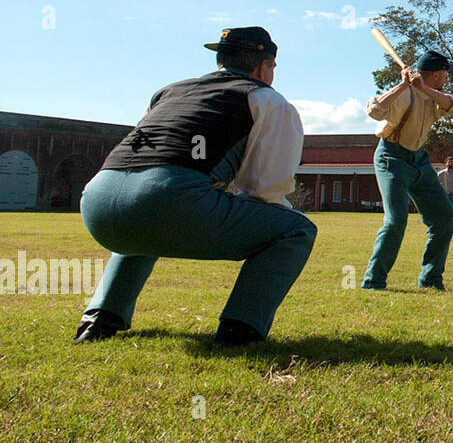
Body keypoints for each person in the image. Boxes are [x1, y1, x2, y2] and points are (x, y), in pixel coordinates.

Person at [75, 27, 315, 346]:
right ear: (264, 66)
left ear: (220, 60)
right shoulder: (267, 100)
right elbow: (266, 189)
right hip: (167, 201)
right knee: (296, 229)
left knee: (147, 219)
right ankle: (239, 332)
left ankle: (99, 319)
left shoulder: (168, 91)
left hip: (96, 203)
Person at [362, 51, 453, 291]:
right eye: (445, 74)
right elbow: (374, 111)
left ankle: (431, 280)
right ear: (437, 75)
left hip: (420, 160)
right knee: (396, 221)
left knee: (444, 218)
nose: (447, 78)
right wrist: (403, 85)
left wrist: (422, 87)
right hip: (391, 158)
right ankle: (373, 281)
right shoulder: (404, 95)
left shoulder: (434, 96)